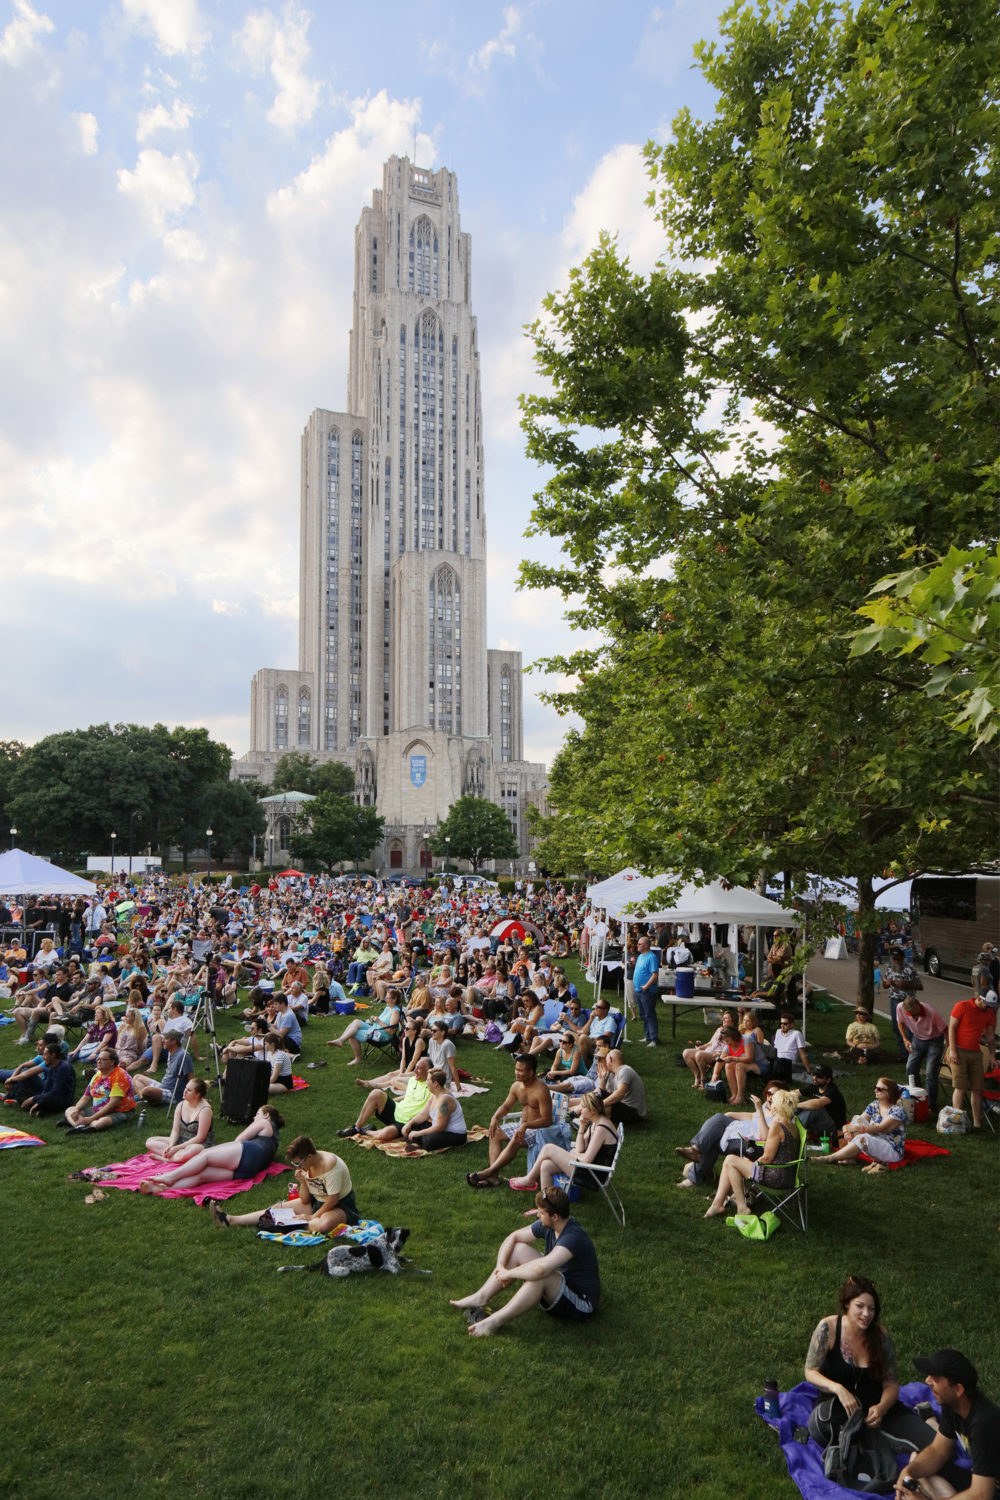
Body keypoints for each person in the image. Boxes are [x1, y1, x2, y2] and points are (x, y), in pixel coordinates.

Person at [804, 1274, 942, 1450]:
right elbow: (810, 1372)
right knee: (830, 1437)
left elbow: (891, 1383)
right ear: (847, 1304)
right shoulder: (828, 1328)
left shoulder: (881, 1337)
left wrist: (882, 1408)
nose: (866, 1314)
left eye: (871, 1308)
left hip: (876, 1407)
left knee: (934, 1447)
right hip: (840, 1407)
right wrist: (838, 1389)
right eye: (859, 1306)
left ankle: (926, 1419)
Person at [449, 1185, 599, 1337]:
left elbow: (541, 1270)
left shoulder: (573, 1237)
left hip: (581, 1302)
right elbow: (513, 1237)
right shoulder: (550, 1224)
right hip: (559, 1281)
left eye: (541, 1213)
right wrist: (500, 1267)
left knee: (540, 1276)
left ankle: (494, 1322)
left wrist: (509, 1274)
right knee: (519, 1249)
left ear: (555, 1217)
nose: (538, 1216)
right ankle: (480, 1297)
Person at [896, 1349, 1000, 1499]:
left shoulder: (983, 1425)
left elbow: (982, 1495)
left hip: (990, 1490)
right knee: (921, 1465)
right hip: (982, 1481)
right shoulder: (952, 1406)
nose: (927, 1381)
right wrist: (908, 1472)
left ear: (958, 1389)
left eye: (936, 1378)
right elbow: (937, 1451)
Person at [212, 1136, 360, 1232]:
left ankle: (288, 1226)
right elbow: (305, 1200)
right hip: (317, 1202)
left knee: (323, 1225)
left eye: (298, 1164)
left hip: (339, 1206)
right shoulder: (308, 1165)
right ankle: (230, 1220)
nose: (297, 1167)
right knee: (277, 1209)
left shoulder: (330, 1166)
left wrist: (311, 1216)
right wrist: (303, 1182)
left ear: (308, 1157)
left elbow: (333, 1200)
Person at [138, 1104, 284, 1193]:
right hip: (251, 1169)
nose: (254, 1118)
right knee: (203, 1175)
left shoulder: (265, 1122)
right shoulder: (274, 1138)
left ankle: (170, 1177)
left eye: (257, 1114)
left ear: (266, 1115)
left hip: (248, 1152)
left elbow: (239, 1139)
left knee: (205, 1156)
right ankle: (162, 1189)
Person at [703, 1087, 799, 1217]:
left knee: (731, 1160)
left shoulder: (777, 1126)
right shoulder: (793, 1127)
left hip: (775, 1176)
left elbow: (767, 1158)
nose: (770, 1104)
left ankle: (741, 1207)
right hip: (788, 1176)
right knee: (732, 1161)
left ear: (777, 1107)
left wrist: (751, 1167)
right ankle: (717, 1205)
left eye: (773, 1102)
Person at [467, 1054, 553, 1189]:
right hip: (522, 1126)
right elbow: (506, 1106)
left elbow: (547, 1120)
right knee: (495, 1133)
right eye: (516, 1069)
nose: (516, 1073)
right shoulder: (516, 1086)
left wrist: (526, 1125)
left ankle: (488, 1172)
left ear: (530, 1072)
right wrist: (495, 1117)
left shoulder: (541, 1090)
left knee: (515, 1138)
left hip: (538, 1131)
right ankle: (493, 1178)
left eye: (520, 1070)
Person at [675, 1081, 783, 1187]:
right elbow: (752, 1116)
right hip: (744, 1130)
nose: (770, 1098)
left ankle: (695, 1175)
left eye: (774, 1095)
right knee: (719, 1118)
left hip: (752, 1143)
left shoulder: (780, 1116)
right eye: (768, 1094)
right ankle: (695, 1149)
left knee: (714, 1139)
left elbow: (764, 1137)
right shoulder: (766, 1106)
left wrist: (760, 1112)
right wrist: (730, 1114)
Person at [527, 1091, 618, 1194]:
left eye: (583, 1107)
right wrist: (582, 1125)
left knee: (548, 1148)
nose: (579, 1110)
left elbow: (586, 1160)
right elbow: (580, 1148)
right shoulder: (596, 1121)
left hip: (593, 1175)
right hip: (589, 1169)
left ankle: (530, 1179)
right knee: (546, 1165)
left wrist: (574, 1153)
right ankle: (547, 1204)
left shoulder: (601, 1128)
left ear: (593, 1110)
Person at [813, 1077, 907, 1168]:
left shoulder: (898, 1111)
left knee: (863, 1137)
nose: (875, 1090)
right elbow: (860, 1120)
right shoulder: (874, 1104)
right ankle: (850, 1157)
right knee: (857, 1119)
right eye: (875, 1088)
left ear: (889, 1093)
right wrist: (848, 1129)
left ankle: (830, 1158)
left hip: (891, 1150)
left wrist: (857, 1129)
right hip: (875, 1141)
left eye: (879, 1089)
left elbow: (880, 1128)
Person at [337, 1056, 432, 1143]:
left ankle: (366, 1130)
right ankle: (356, 1127)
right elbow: (409, 1096)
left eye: (419, 1068)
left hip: (406, 1123)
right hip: (396, 1110)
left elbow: (443, 1097)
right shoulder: (412, 1080)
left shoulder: (434, 1086)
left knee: (383, 1135)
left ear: (428, 1071)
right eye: (415, 1067)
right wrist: (395, 1099)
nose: (415, 1070)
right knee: (376, 1093)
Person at [947, 982, 997, 1130]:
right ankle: (957, 1121)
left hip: (976, 1053)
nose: (988, 1008)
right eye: (987, 1005)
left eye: (991, 1007)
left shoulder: (988, 1013)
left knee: (977, 1088)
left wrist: (993, 1056)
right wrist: (953, 1050)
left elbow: (990, 1037)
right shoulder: (962, 1006)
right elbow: (952, 1028)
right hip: (959, 1051)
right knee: (960, 1086)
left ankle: (977, 1122)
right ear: (980, 999)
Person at [62, 1048, 137, 1132]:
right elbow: (86, 1097)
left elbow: (113, 1103)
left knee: (101, 1123)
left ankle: (82, 1124)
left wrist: (91, 1118)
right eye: (98, 1059)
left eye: (103, 1059)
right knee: (70, 1110)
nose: (99, 1061)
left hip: (119, 1111)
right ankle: (81, 1126)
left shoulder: (119, 1076)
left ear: (112, 1062)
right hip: (97, 1110)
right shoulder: (98, 1075)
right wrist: (76, 1110)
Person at [897, 991, 948, 1114]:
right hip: (917, 1039)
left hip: (934, 1040)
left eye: (916, 1014)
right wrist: (905, 1039)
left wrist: (948, 1050)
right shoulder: (900, 1007)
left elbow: (945, 1030)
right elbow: (900, 1022)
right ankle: (917, 1097)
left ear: (919, 1006)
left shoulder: (931, 1012)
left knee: (931, 1072)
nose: (913, 1017)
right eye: (910, 1014)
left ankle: (931, 1105)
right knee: (910, 1067)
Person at [145, 1077, 215, 1162]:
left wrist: (176, 1148)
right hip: (180, 1140)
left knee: (187, 1154)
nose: (185, 1091)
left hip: (198, 1145)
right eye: (185, 1088)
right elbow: (175, 1130)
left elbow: (200, 1138)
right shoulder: (180, 1105)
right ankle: (171, 1156)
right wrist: (171, 1146)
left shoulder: (205, 1110)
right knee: (150, 1141)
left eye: (189, 1090)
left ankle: (165, 1158)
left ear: (197, 1094)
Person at [400, 1068, 468, 1152]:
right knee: (412, 1123)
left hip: (455, 1135)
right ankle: (417, 1141)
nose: (426, 1082)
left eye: (428, 1080)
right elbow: (423, 1114)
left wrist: (418, 1133)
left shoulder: (445, 1101)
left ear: (435, 1083)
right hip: (438, 1129)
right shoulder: (434, 1094)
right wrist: (409, 1123)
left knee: (430, 1141)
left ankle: (416, 1141)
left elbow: (440, 1127)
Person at [327, 990, 402, 1065]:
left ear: (394, 999)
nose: (385, 999)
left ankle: (358, 1058)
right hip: (375, 1029)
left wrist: (378, 1021)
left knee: (352, 1034)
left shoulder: (395, 1012)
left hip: (382, 1036)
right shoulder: (387, 1008)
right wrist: (374, 1019)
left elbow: (391, 1031)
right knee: (356, 1021)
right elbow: (381, 1021)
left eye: (387, 998)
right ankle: (340, 1040)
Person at [132, 1030, 195, 1111]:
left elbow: (191, 1078)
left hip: (173, 1094)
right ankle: (143, 1100)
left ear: (174, 1041)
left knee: (146, 1091)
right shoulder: (171, 1052)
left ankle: (147, 1099)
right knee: (137, 1077)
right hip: (163, 1086)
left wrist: (195, 1095)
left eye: (166, 1039)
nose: (162, 1041)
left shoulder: (183, 1056)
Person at [883, 944, 923, 1061]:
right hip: (894, 1001)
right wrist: (888, 983)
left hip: (908, 1002)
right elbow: (884, 985)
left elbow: (920, 986)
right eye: (894, 959)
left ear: (903, 958)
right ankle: (904, 1053)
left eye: (898, 959)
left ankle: (913, 1053)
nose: (896, 961)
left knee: (911, 1028)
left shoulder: (910, 970)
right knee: (896, 1027)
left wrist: (905, 985)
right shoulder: (890, 969)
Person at [681, 1011, 737, 1089]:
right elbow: (710, 1043)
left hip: (718, 1054)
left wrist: (722, 1055)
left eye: (726, 1017)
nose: (723, 1019)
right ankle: (697, 1076)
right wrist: (701, 1047)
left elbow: (734, 1048)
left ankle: (704, 1078)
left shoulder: (734, 1033)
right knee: (686, 1052)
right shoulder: (719, 1029)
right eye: (723, 1017)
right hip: (708, 1051)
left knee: (699, 1055)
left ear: (733, 1020)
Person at [794, 1062, 848, 1141]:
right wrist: (782, 1096)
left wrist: (796, 1105)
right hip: (817, 1124)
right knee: (792, 1101)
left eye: (819, 1076)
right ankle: (783, 1128)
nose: (815, 1078)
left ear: (828, 1080)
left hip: (833, 1128)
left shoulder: (833, 1091)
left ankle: (793, 1133)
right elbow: (795, 1093)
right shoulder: (814, 1086)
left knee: (814, 1109)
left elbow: (817, 1103)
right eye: (814, 1074)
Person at [598, 1048, 647, 1125]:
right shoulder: (612, 1074)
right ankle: (575, 1112)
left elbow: (620, 1093)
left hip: (634, 1113)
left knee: (606, 1104)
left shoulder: (625, 1070)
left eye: (606, 1060)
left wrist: (601, 1104)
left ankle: (601, 1126)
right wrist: (602, 1078)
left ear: (610, 1059)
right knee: (599, 1095)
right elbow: (603, 1094)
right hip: (623, 1107)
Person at [632, 934, 660, 1046]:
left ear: (645, 945)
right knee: (643, 1014)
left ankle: (654, 1039)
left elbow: (655, 975)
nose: (637, 945)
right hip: (639, 991)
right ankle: (648, 1036)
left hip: (646, 991)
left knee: (650, 1014)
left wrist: (646, 986)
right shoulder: (640, 956)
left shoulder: (651, 957)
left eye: (639, 944)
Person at [771, 1011, 810, 1081]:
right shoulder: (778, 1032)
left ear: (792, 1025)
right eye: (781, 1023)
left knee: (778, 1063)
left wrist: (808, 1070)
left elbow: (802, 1054)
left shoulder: (796, 1034)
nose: (782, 1025)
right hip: (776, 1059)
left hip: (787, 1062)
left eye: (785, 1024)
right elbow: (774, 1048)